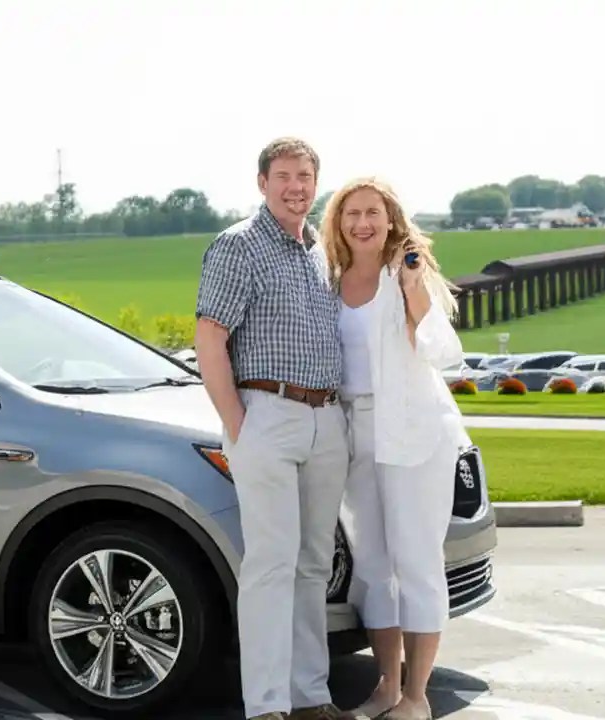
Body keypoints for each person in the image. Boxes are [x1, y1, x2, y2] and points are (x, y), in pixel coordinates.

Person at [195, 138, 355, 720]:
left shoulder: (320, 252)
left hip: (326, 420)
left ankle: (310, 697)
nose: (296, 187)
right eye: (284, 175)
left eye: (306, 177)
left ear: (316, 184)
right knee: (270, 563)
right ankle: (265, 706)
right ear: (262, 182)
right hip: (268, 414)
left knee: (315, 562)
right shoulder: (239, 246)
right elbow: (209, 337)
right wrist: (238, 425)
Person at [318, 177, 470, 720]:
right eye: (351, 212)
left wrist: (413, 292)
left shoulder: (403, 274)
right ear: (337, 221)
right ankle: (386, 687)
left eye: (372, 213)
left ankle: (416, 697)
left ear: (390, 220)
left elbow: (444, 351)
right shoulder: (330, 280)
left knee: (416, 562)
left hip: (415, 431)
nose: (362, 222)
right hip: (356, 431)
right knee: (373, 566)